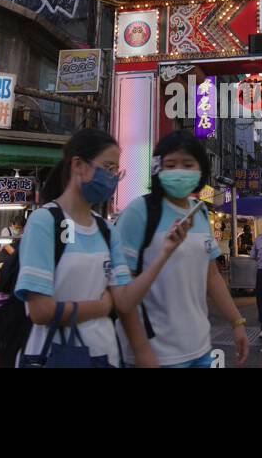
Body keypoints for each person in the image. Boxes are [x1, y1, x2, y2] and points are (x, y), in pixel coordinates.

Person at [15, 129, 193, 369]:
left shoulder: (106, 230)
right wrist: (99, 307)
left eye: (115, 171)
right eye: (107, 168)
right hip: (54, 356)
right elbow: (40, 311)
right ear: (78, 165)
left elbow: (125, 301)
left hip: (105, 355)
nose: (111, 178)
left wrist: (165, 253)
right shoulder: (44, 221)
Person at [116, 131, 250, 368]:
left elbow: (212, 275)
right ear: (158, 168)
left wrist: (237, 322)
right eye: (170, 164)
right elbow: (122, 291)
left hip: (199, 348)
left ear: (200, 171)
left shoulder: (199, 212)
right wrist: (142, 351)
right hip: (154, 354)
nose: (179, 171)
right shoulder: (139, 212)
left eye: (188, 164)